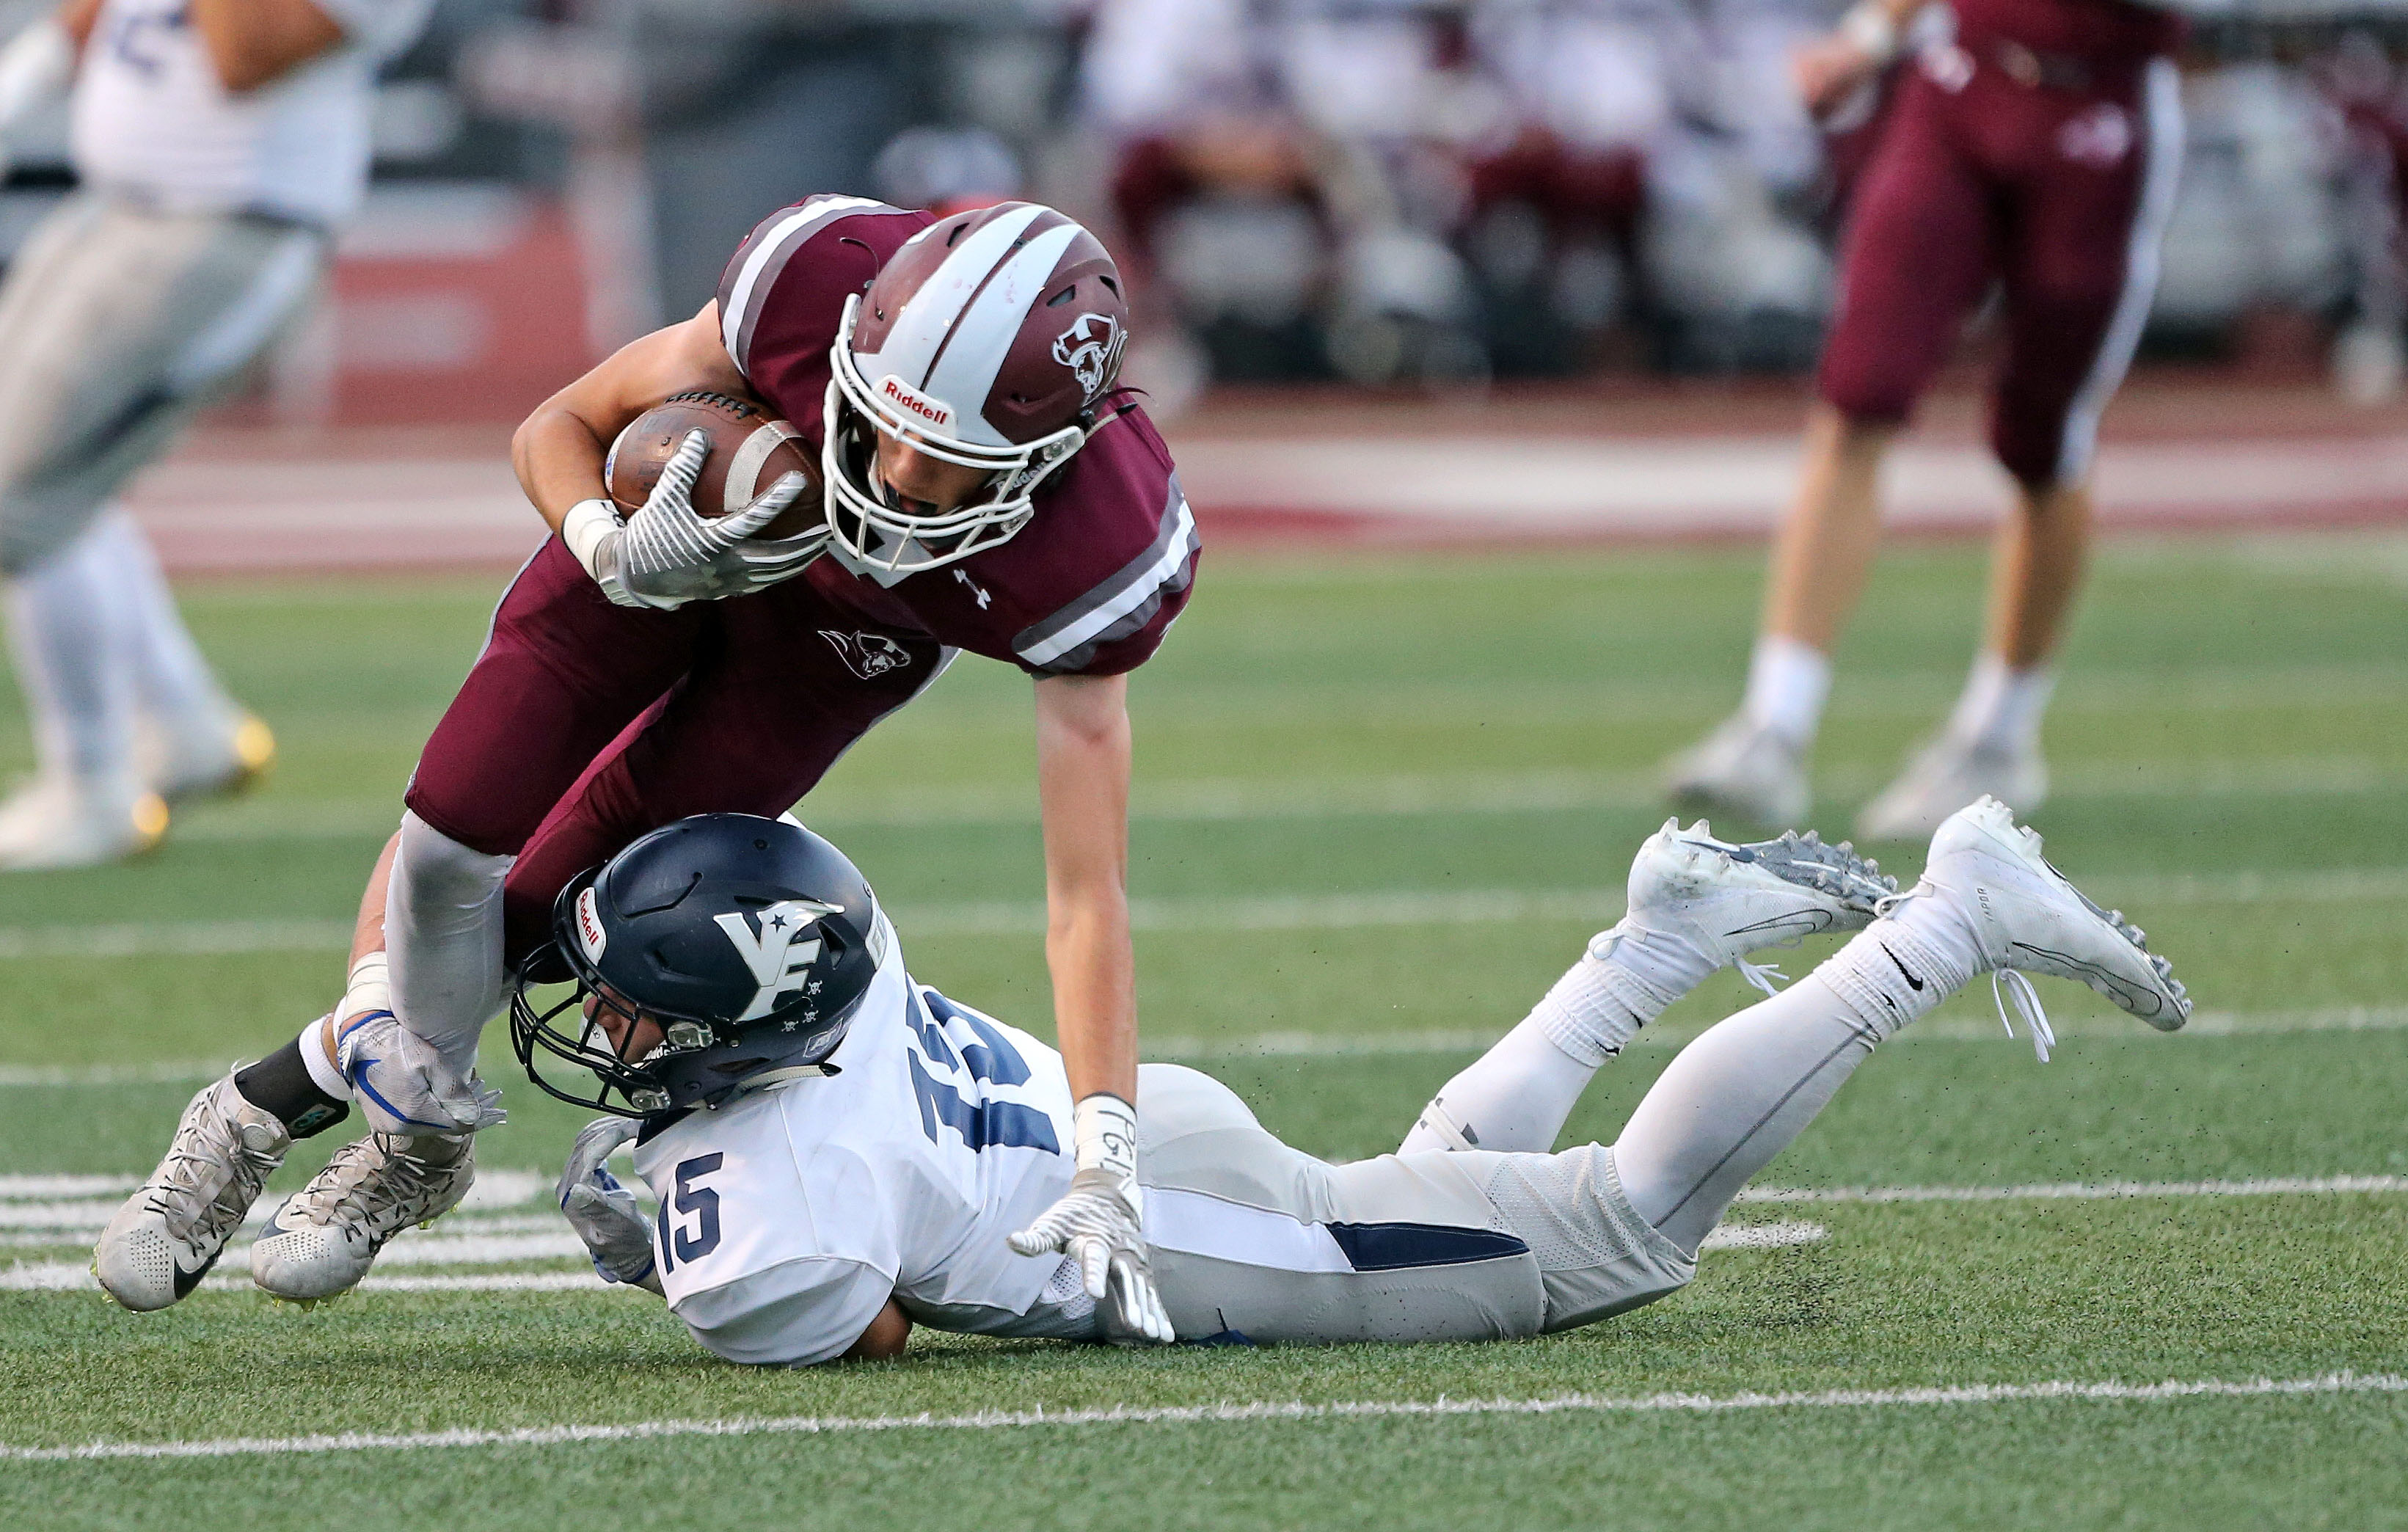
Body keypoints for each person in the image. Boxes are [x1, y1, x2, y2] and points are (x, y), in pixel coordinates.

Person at [92, 197, 1200, 1336]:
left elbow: (1085, 893)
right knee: (453, 824)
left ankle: (290, 1111)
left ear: (1054, 452)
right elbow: (561, 423)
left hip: (827, 653)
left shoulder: (1098, 551)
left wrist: (1104, 1152)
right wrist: (606, 543)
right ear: (860, 336)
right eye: (879, 420)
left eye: (945, 459)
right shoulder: (814, 283)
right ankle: (398, 1136)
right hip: (666, 552)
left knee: (555, 917)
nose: (897, 473)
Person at [507, 799, 2182, 1363]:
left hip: (1176, 1228)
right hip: (1137, 1128)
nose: (606, 1030)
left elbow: (859, 1324)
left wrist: (664, 1236)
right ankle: (1649, 950)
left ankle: (1944, 917)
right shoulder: (833, 927)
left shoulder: (778, 1191)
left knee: (1631, 1223)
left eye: (634, 1013)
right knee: (1389, 1196)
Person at [1666, 0, 2185, 839]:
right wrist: (1871, 36)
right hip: (1962, 78)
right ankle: (1775, 724)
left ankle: (1999, 735)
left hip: (2103, 97)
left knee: (2041, 438)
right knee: (1858, 393)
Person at [0, 0, 435, 867]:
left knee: (24, 500)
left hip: (228, 227)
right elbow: (94, 22)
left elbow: (246, 53)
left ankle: (93, 787)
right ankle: (183, 724)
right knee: (54, 484)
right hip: (119, 207)